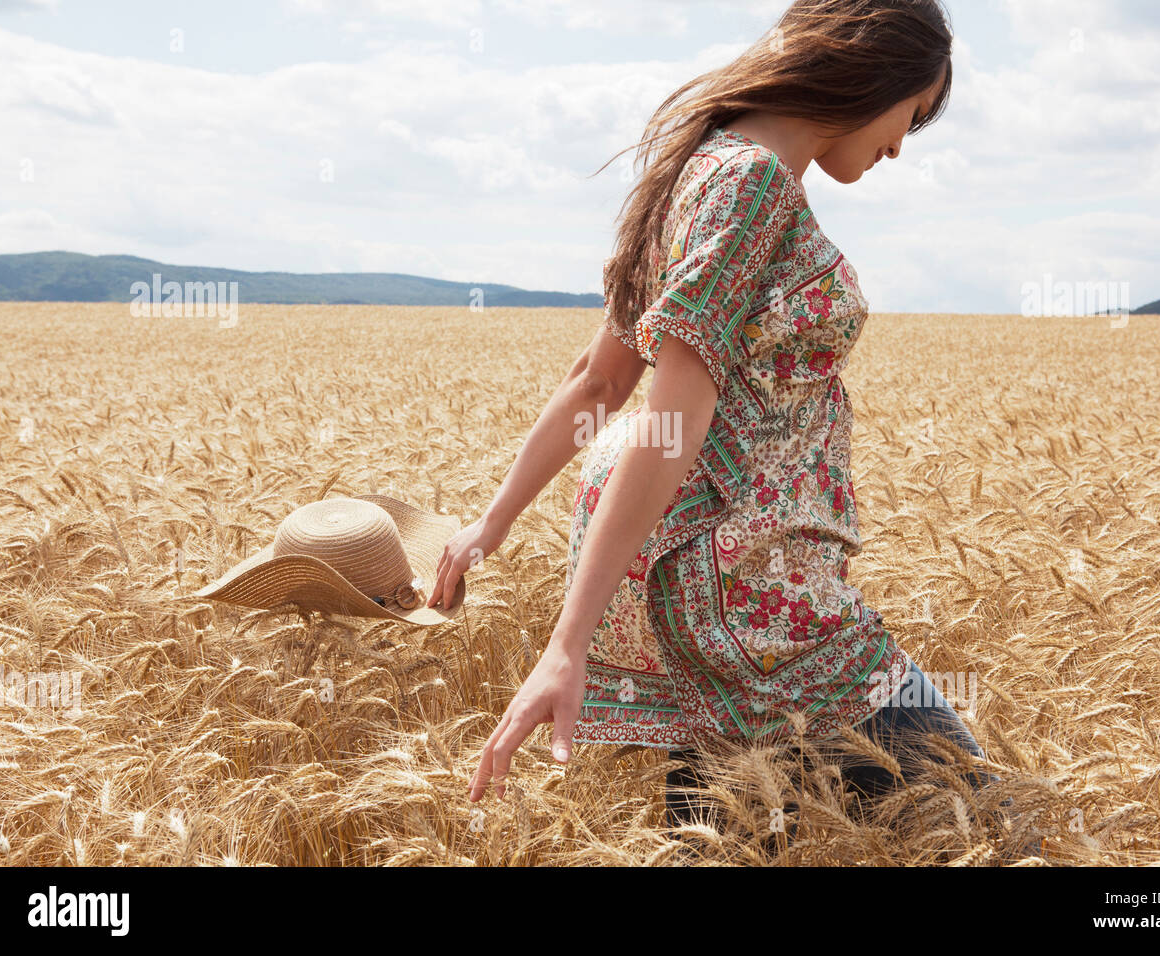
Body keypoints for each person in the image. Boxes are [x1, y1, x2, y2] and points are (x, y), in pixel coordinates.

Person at [428, 0, 1037, 856]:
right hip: (753, 585)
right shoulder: (751, 186)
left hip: (691, 583)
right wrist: (565, 642)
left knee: (731, 841)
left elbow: (598, 378)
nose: (904, 143)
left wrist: (489, 525)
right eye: (915, 112)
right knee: (986, 822)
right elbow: (667, 417)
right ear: (877, 71)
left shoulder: (697, 171)